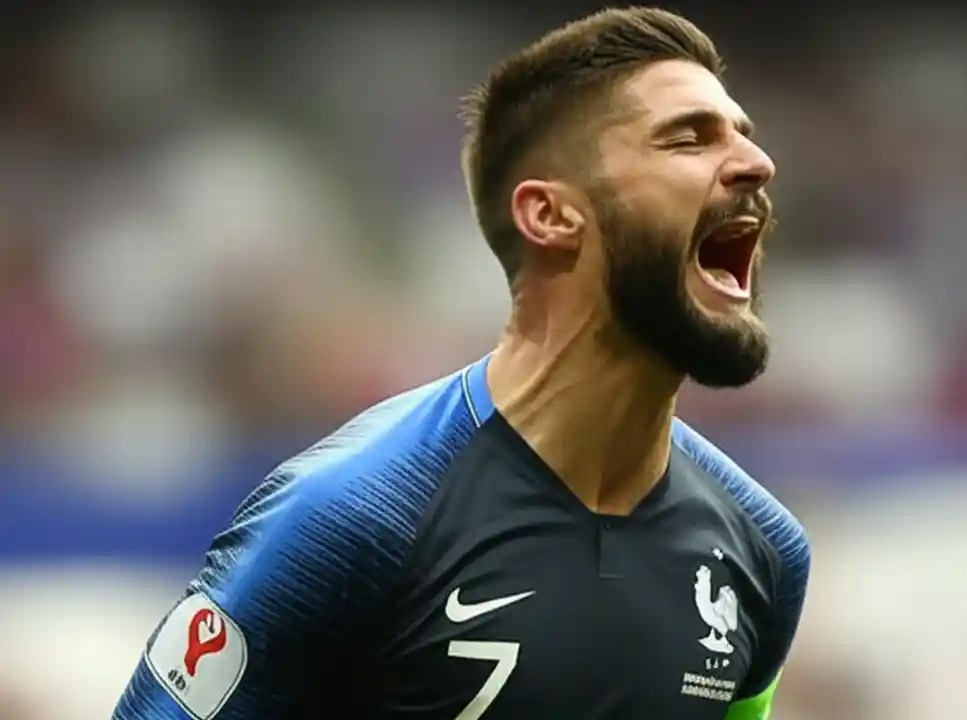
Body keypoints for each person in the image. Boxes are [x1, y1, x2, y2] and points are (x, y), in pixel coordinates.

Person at [112, 7, 809, 719]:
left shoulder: (765, 551)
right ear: (550, 216)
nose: (758, 162)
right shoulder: (353, 515)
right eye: (688, 138)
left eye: (743, 134)